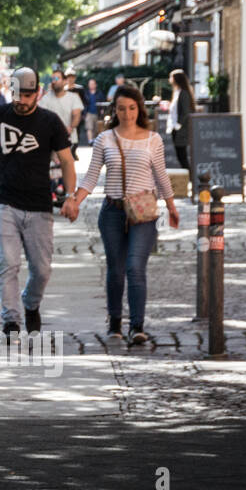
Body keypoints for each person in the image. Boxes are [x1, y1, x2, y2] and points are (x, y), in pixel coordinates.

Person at [68, 85, 179, 343]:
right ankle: (115, 322)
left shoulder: (153, 139)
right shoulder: (104, 139)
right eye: (121, 108)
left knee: (135, 268)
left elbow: (161, 176)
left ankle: (137, 326)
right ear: (114, 111)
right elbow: (92, 176)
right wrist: (75, 200)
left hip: (144, 214)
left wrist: (172, 208)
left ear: (139, 108)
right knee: (115, 269)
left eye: (131, 108)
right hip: (113, 213)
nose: (127, 114)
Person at [0, 67, 76, 335]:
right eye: (17, 94)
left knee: (41, 270)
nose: (22, 100)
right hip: (4, 199)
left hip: (39, 203)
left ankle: (31, 304)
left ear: (37, 93)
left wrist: (71, 196)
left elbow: (66, 160)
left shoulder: (50, 122)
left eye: (28, 95)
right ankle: (11, 320)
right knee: (8, 262)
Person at [166, 69, 195, 172]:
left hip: (180, 130)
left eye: (171, 77)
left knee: (182, 156)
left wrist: (178, 125)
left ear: (176, 79)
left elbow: (185, 111)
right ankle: (189, 177)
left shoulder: (183, 93)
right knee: (180, 155)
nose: (169, 79)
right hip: (175, 128)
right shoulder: (177, 92)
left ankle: (190, 178)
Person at [83, 78, 101, 145]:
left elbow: (102, 102)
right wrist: (84, 113)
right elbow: (83, 103)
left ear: (95, 85)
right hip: (88, 113)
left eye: (93, 84)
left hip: (97, 113)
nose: (91, 85)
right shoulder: (86, 94)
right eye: (90, 84)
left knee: (96, 129)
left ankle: (94, 141)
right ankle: (90, 141)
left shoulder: (99, 93)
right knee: (89, 127)